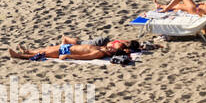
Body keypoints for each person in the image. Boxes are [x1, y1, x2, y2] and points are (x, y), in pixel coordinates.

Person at [8, 38, 140, 61]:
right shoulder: (103, 48)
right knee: (45, 49)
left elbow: (84, 57)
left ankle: (19, 56)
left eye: (111, 50)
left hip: (66, 51)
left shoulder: (99, 53)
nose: (110, 48)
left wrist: (69, 56)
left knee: (43, 53)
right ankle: (27, 51)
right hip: (68, 47)